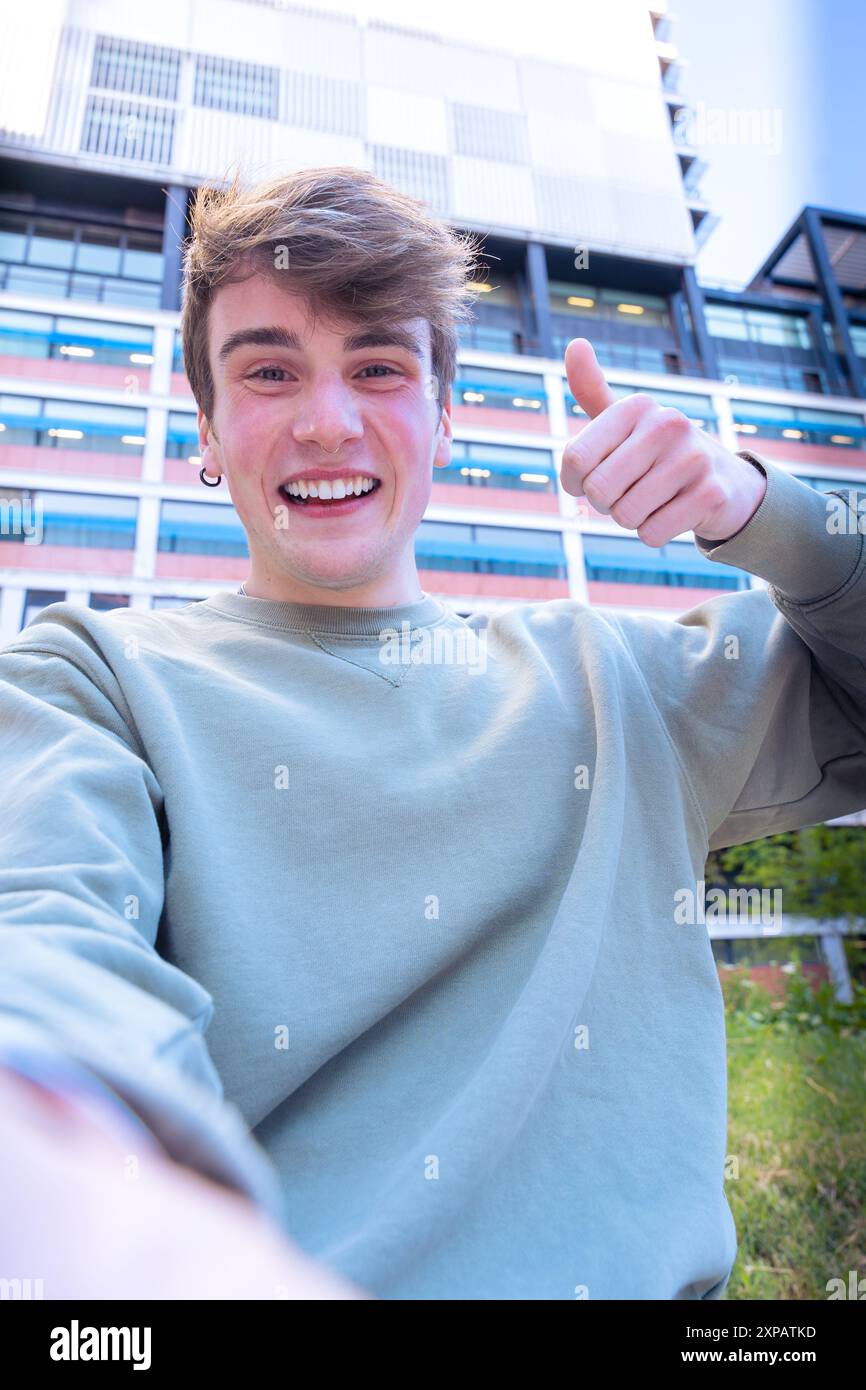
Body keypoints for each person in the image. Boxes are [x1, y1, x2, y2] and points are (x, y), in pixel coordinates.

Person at [0, 165, 864, 1301]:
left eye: (378, 366)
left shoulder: (621, 680)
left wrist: (757, 513)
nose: (325, 419)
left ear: (445, 419)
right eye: (268, 370)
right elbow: (43, 944)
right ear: (205, 427)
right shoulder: (87, 674)